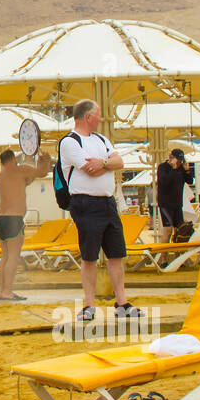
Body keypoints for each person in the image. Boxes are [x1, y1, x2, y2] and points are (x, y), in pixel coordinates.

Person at [59, 99, 142, 322]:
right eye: (97, 115)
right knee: (89, 257)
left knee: (117, 254)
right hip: (85, 204)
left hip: (107, 202)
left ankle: (122, 302)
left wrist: (103, 162)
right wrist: (107, 163)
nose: (100, 119)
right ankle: (89, 304)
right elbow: (90, 169)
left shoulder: (101, 139)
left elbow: (119, 162)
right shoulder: (69, 142)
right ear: (88, 117)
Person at [0, 148, 54, 301]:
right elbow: (41, 173)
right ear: (14, 159)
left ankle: (2, 290)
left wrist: (38, 164)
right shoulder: (20, 170)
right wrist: (45, 161)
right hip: (14, 219)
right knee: (13, 256)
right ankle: (7, 291)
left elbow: (25, 181)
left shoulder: (1, 175)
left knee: (5, 256)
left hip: (1, 219)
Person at [155, 148, 195, 242]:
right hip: (165, 204)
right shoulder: (163, 167)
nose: (179, 162)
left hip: (177, 204)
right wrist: (173, 168)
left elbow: (190, 181)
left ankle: (178, 254)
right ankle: (163, 255)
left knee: (180, 231)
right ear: (171, 157)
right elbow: (164, 183)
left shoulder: (181, 168)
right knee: (168, 230)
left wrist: (187, 170)